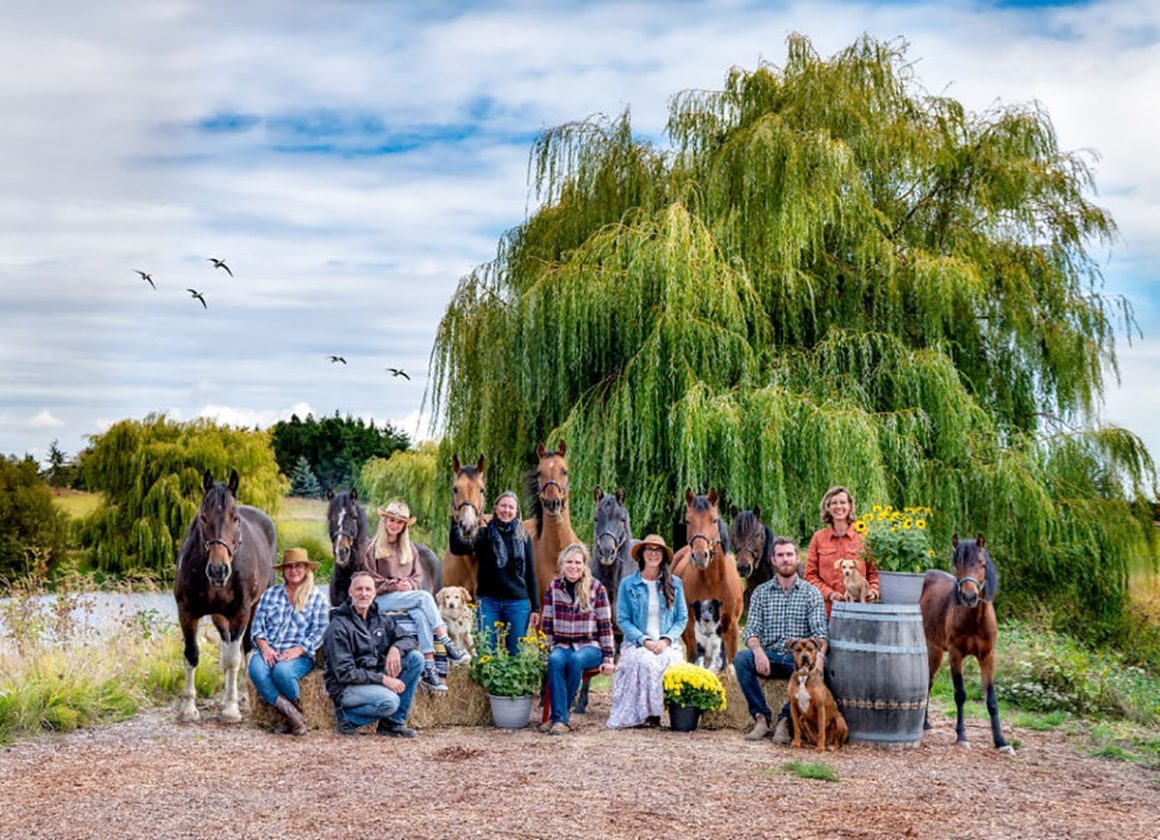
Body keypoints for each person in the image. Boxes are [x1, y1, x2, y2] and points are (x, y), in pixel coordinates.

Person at [362, 499, 470, 694]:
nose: (395, 525)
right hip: (380, 600)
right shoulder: (372, 548)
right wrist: (394, 584)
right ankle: (448, 644)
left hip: (406, 598)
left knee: (421, 613)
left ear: (404, 526)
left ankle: (429, 667)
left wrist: (408, 584)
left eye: (400, 522)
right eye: (391, 520)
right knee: (424, 598)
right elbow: (369, 580)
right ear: (385, 520)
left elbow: (417, 577)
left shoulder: (409, 549)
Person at [734, 537, 829, 743]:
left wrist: (819, 655)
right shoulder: (760, 593)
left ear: (797, 558)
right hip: (768, 656)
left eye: (789, 555)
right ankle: (761, 718)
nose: (785, 559)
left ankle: (785, 720)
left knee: (824, 667)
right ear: (773, 560)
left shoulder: (811, 593)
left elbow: (820, 634)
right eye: (780, 555)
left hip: (797, 660)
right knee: (741, 659)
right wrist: (758, 652)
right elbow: (751, 631)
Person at [322, 570, 424, 737]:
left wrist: (396, 648)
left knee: (415, 659)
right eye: (359, 589)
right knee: (390, 701)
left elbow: (409, 638)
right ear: (350, 592)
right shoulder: (338, 626)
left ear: (375, 593)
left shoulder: (380, 619)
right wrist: (384, 679)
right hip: (346, 687)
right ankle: (347, 718)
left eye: (368, 589)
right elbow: (345, 673)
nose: (364, 594)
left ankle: (393, 724)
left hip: (371, 676)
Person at [607, 534, 688, 730]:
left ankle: (661, 713)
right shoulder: (628, 584)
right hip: (637, 643)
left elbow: (682, 618)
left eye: (657, 550)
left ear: (663, 555)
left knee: (667, 660)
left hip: (666, 644)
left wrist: (666, 640)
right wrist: (644, 640)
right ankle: (647, 715)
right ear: (642, 554)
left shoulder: (675, 584)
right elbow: (623, 620)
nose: (653, 554)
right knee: (645, 661)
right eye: (649, 550)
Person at [247, 546, 330, 736]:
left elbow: (320, 631)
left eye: (298, 566)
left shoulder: (317, 598)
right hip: (270, 649)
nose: (294, 571)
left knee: (282, 672)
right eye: (289, 567)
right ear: (283, 571)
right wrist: (265, 648)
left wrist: (298, 650)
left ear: (306, 569)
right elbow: (258, 627)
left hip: (299, 654)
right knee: (257, 670)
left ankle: (291, 716)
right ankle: (293, 714)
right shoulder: (270, 595)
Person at [448, 490, 539, 655]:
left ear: (516, 511)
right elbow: (457, 548)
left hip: (518, 603)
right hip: (488, 602)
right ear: (495, 508)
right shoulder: (483, 534)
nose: (506, 510)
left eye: (511, 507)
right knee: (486, 651)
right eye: (503, 505)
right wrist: (455, 521)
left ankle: (513, 681)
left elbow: (530, 574)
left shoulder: (523, 537)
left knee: (516, 653)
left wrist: (536, 608)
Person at [539, 543, 616, 735]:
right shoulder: (554, 588)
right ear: (562, 564)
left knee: (576, 659)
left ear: (584, 565)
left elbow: (605, 625)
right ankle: (560, 718)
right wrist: (544, 651)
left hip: (590, 646)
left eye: (578, 563)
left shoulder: (596, 588)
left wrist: (608, 658)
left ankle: (559, 717)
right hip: (563, 644)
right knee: (555, 659)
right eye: (569, 562)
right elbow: (547, 623)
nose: (574, 566)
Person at [805, 485, 879, 617]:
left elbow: (874, 572)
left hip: (860, 610)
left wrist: (873, 591)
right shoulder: (818, 538)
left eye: (843, 502)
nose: (839, 506)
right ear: (827, 507)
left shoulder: (864, 536)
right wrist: (829, 593)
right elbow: (810, 576)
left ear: (850, 505)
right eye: (834, 503)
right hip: (827, 611)